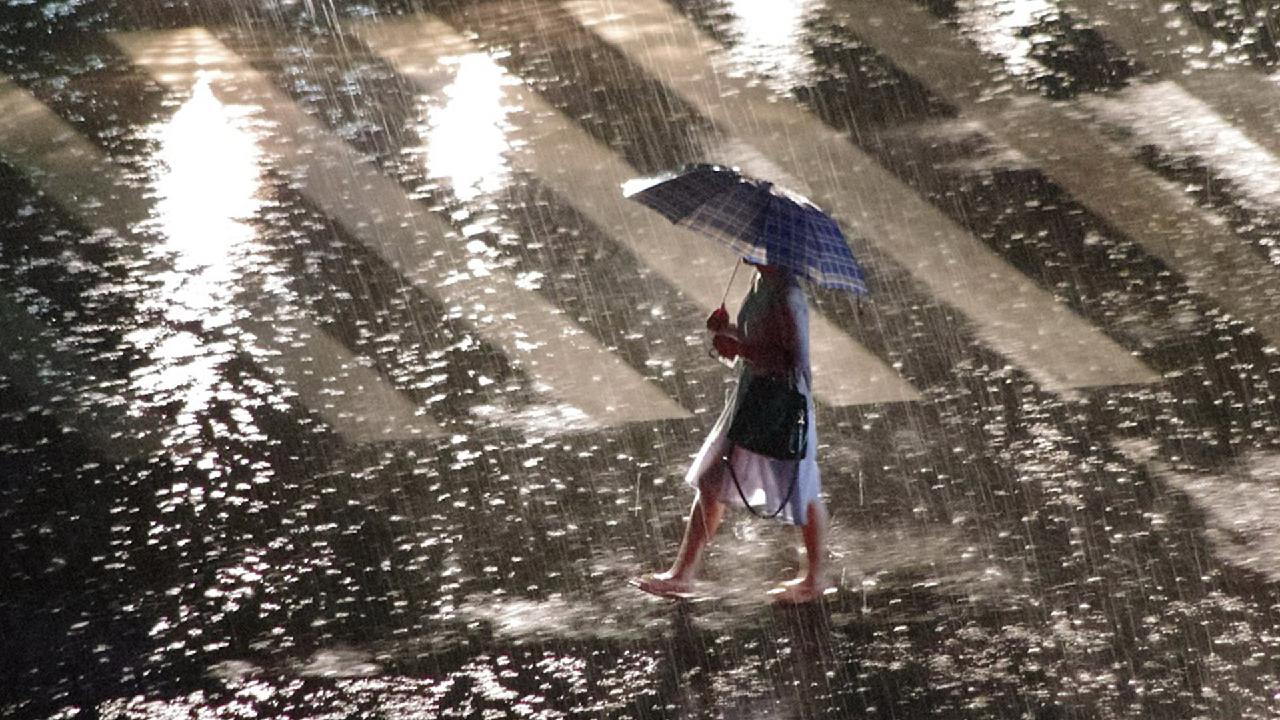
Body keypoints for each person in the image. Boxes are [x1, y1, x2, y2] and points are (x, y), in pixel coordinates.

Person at [635, 260, 828, 603]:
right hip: (753, 397)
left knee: (802, 488)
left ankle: (813, 578)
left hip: (781, 404)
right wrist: (730, 334)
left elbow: (792, 361)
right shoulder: (761, 282)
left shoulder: (788, 295)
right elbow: (760, 346)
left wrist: (741, 347)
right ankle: (682, 575)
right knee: (712, 480)